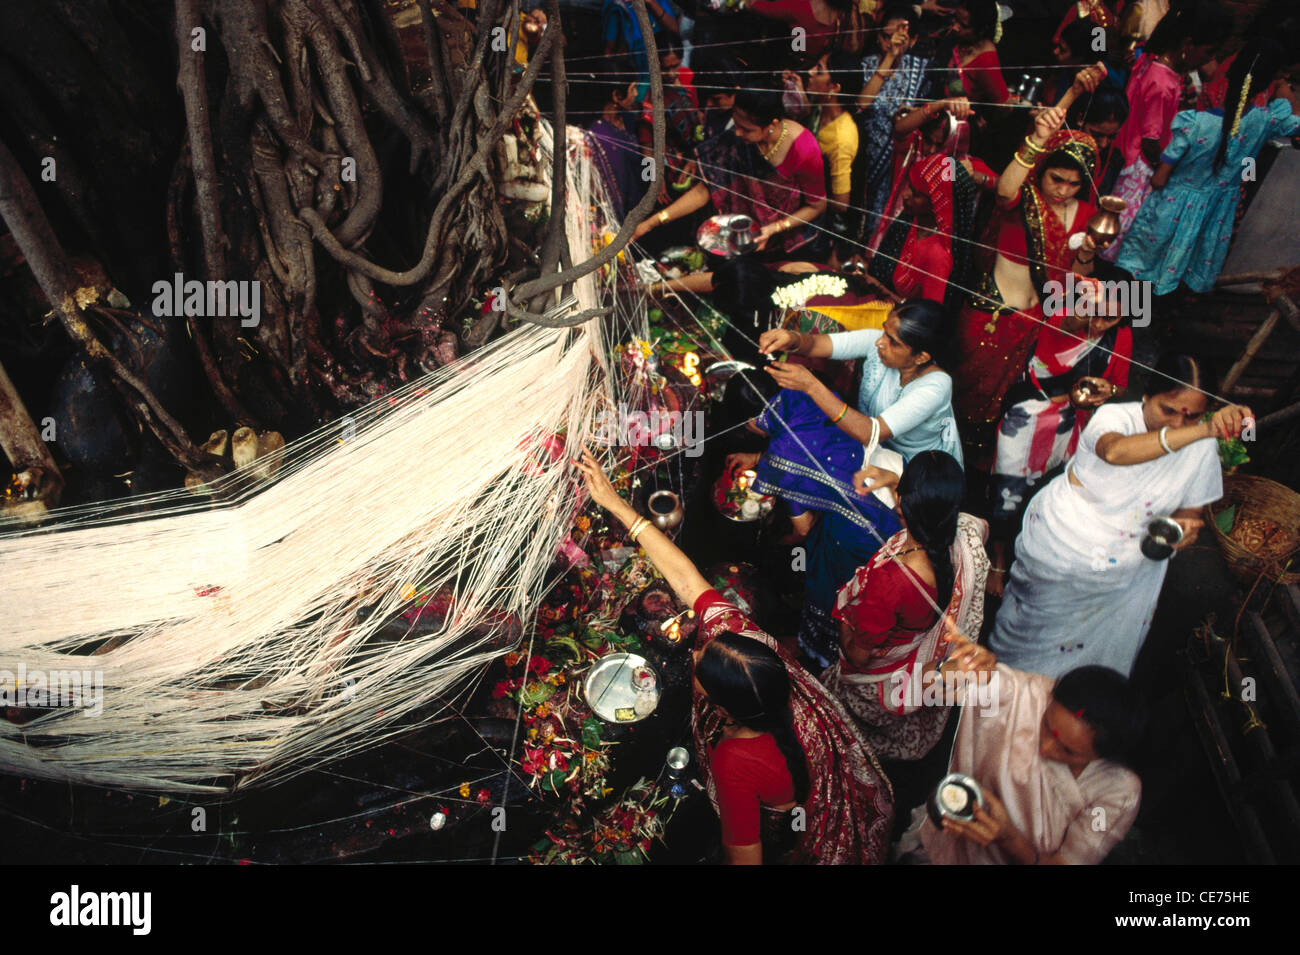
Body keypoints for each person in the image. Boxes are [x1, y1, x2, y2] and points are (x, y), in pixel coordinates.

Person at [574, 450, 895, 864]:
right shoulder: (741, 634)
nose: (695, 651)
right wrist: (615, 503)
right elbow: (687, 579)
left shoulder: (735, 759)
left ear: (721, 708)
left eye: (697, 663)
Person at [731, 301, 963, 666]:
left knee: (851, 545)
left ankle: (833, 639)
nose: (881, 343)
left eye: (893, 340)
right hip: (868, 462)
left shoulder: (936, 385)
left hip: (913, 477)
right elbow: (818, 346)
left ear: (921, 357)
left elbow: (872, 431)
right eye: (884, 331)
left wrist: (809, 385)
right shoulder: (879, 346)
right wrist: (791, 338)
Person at [990, 356, 1251, 680]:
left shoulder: (1200, 447)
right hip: (1061, 552)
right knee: (1022, 648)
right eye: (1167, 410)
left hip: (1127, 573)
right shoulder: (1114, 417)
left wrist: (1183, 526)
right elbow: (1115, 452)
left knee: (1089, 666)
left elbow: (1191, 507)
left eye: (1192, 416)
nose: (1178, 424)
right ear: (1146, 396)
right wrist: (1204, 428)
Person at [896, 630, 1146, 865]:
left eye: (1068, 752)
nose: (1047, 748)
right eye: (1047, 726)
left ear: (1101, 757)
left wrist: (1008, 838)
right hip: (941, 848)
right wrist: (951, 668)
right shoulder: (1021, 695)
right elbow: (911, 688)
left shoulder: (1117, 792)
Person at [952, 90, 1103, 470]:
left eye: (1073, 183)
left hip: (1031, 323)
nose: (1062, 190)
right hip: (989, 310)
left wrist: (1085, 253)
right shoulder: (1025, 198)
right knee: (964, 391)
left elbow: (1076, 280)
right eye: (1057, 178)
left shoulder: (1086, 213)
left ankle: (979, 466)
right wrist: (1037, 139)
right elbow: (1003, 189)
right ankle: (943, 453)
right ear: (1042, 169)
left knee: (1000, 399)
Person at [823, 451, 990, 760]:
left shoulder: (891, 583)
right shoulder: (966, 533)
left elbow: (858, 657)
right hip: (918, 639)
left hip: (883, 670)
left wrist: (843, 615)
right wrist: (896, 484)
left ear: (901, 504)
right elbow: (964, 522)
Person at [987, 270, 1133, 593]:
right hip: (1027, 417)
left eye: (1114, 313)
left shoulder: (1119, 336)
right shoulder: (1062, 315)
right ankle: (998, 559)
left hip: (1071, 423)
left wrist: (1107, 389)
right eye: (1100, 309)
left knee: (1050, 491)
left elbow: (1122, 388)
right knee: (1007, 491)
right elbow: (1066, 324)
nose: (1103, 320)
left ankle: (1032, 557)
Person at [1115, 41, 1300, 295]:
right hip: (1219, 210)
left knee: (1144, 267)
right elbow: (1287, 128)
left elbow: (1159, 180)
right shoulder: (1267, 120)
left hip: (1172, 208)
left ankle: (1130, 311)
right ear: (1271, 82)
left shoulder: (1194, 124)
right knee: (1182, 267)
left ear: (1230, 75)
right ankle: (1163, 312)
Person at [1100, 1, 1232, 262]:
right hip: (1139, 168)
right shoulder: (1163, 83)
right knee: (1119, 237)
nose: (1209, 60)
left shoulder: (1153, 63)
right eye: (1209, 52)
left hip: (1129, 157)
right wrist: (1170, 164)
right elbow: (1151, 139)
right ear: (1188, 45)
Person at [634, 85, 827, 255]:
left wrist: (775, 228)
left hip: (789, 244)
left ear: (773, 124)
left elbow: (817, 206)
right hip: (746, 239)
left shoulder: (803, 149)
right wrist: (651, 223)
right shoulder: (737, 140)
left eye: (746, 129)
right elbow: (706, 189)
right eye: (736, 124)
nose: (737, 133)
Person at [861, 152, 988, 312]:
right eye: (909, 186)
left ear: (938, 203)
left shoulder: (939, 255)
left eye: (916, 194)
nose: (905, 194)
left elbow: (925, 318)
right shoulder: (911, 219)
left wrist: (880, 288)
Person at [853, 4, 933, 244]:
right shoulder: (867, 65)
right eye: (885, 36)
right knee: (863, 216)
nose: (890, 42)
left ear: (914, 39)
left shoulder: (922, 68)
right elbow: (862, 105)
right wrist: (889, 57)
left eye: (898, 38)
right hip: (868, 157)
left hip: (902, 161)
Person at [585, 61, 648, 221]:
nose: (635, 93)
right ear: (616, 96)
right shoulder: (598, 136)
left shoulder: (629, 118)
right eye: (632, 88)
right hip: (624, 218)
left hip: (644, 204)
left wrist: (653, 180)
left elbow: (646, 153)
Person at [806, 50, 862, 222]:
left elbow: (841, 203)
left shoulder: (841, 139)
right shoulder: (819, 105)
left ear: (834, 88)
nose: (810, 72)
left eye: (819, 70)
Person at [1067, 86, 1130, 198]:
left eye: (1112, 136)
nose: (1103, 144)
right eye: (1096, 135)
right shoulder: (1059, 145)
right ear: (1081, 118)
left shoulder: (1114, 160)